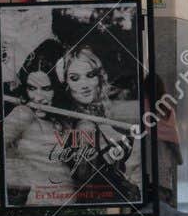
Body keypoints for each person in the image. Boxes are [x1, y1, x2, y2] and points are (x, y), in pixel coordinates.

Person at [56, 46, 141, 204]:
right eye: (75, 78)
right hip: (95, 202)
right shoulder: (84, 125)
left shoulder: (98, 114)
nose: (85, 85)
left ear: (99, 78)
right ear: (66, 83)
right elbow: (85, 177)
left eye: (90, 75)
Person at [1, 41, 72, 206]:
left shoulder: (63, 119)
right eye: (31, 88)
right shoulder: (23, 113)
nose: (37, 97)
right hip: (36, 203)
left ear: (59, 88)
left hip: (68, 204)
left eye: (46, 89)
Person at [148, 72, 182, 209]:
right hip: (162, 169)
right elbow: (173, 139)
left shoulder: (139, 110)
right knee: (163, 210)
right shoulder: (166, 111)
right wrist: (179, 158)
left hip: (141, 172)